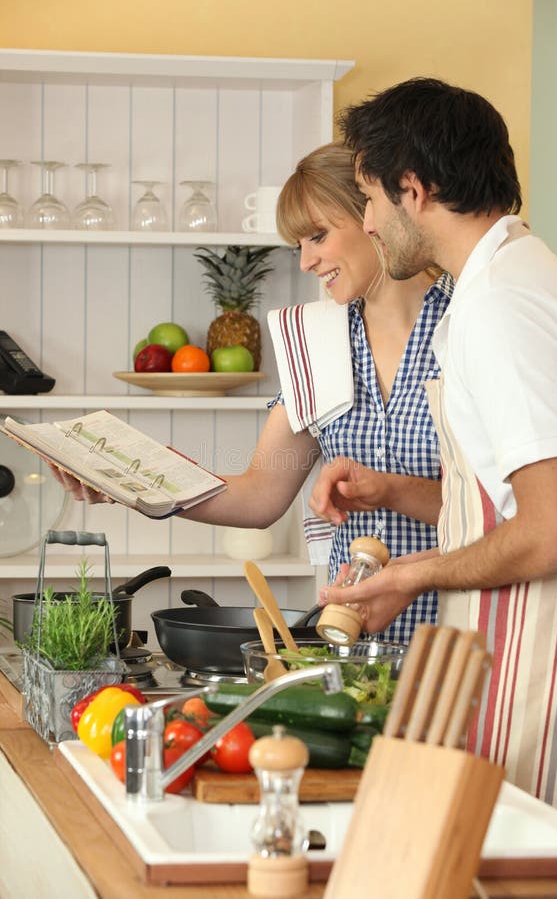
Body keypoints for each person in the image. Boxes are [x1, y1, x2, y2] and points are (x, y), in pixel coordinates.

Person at [314, 78, 557, 826]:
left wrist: (411, 574)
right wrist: (398, 493)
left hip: (542, 648)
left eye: (372, 197)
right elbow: (510, 501)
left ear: (415, 189)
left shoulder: (502, 309)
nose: (368, 222)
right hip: (511, 637)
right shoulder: (507, 282)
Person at [51, 142, 453, 644]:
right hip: (353, 641)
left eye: (318, 236)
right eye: (298, 245)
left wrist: (390, 488)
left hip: (459, 637)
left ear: (371, 211)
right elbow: (262, 492)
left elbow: (499, 511)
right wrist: (139, 484)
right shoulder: (314, 339)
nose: (306, 261)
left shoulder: (467, 321)